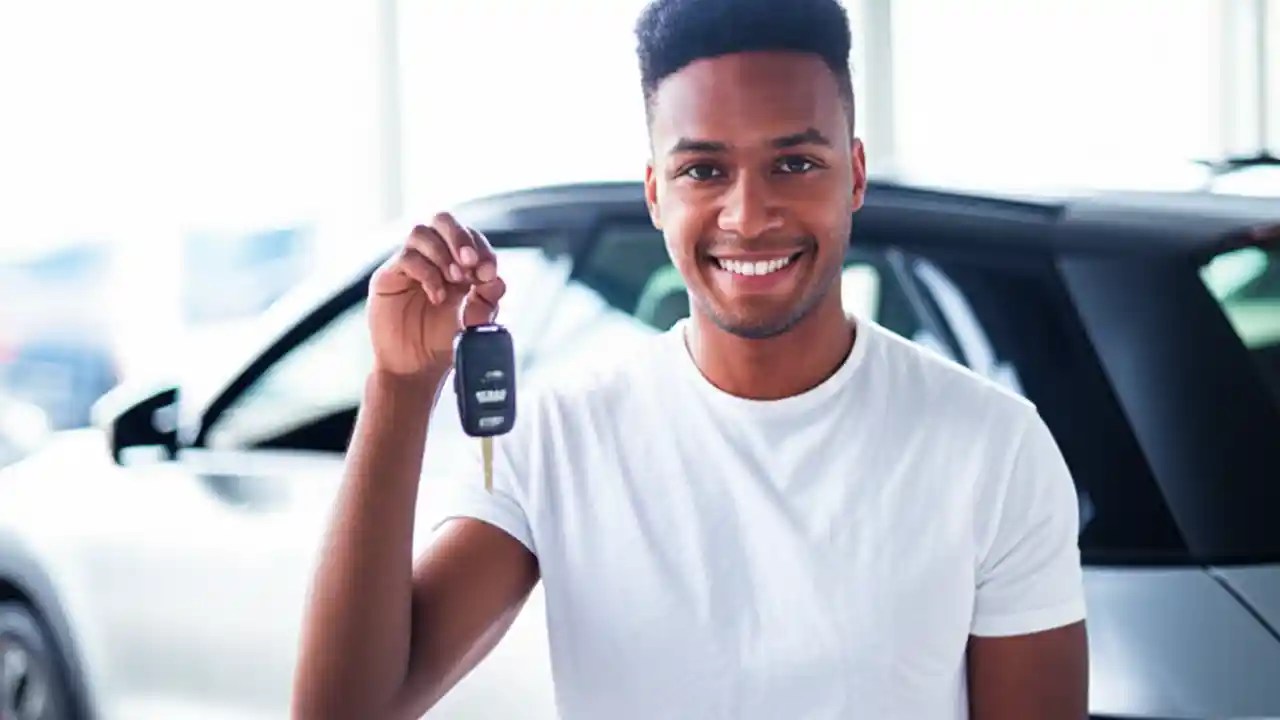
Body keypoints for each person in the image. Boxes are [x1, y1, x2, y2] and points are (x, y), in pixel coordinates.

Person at [291, 0, 1089, 717]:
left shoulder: (994, 447)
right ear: (655, 193)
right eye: (704, 170)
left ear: (853, 176)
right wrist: (398, 388)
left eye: (794, 164)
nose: (748, 215)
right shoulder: (561, 435)